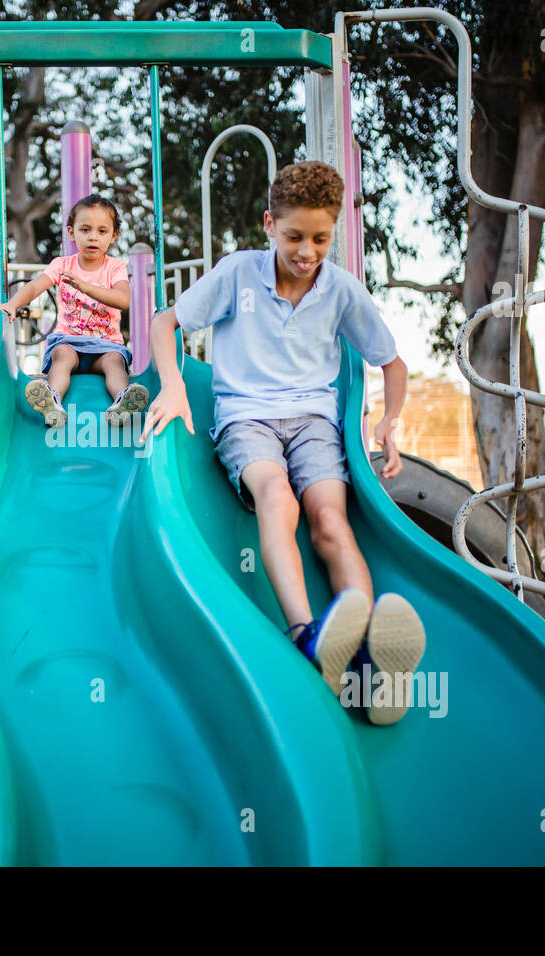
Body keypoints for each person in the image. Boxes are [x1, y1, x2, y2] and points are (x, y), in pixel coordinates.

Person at [141, 161, 426, 725]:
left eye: (320, 238)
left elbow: (391, 362)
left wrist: (389, 421)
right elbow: (163, 322)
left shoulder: (342, 290)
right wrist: (173, 386)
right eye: (294, 236)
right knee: (279, 498)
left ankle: (370, 659)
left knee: (329, 520)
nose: (307, 250)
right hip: (247, 419)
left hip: (313, 422)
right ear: (269, 224)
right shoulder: (238, 273)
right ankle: (308, 636)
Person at [0, 194, 148, 428]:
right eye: (85, 229)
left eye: (102, 231)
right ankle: (52, 401)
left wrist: (85, 287)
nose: (93, 237)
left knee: (114, 362)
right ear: (71, 232)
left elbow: (122, 299)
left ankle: (123, 401)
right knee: (62, 356)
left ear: (113, 236)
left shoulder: (115, 267)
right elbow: (36, 285)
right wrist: (12, 304)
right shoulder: (62, 265)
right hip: (70, 341)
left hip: (105, 345)